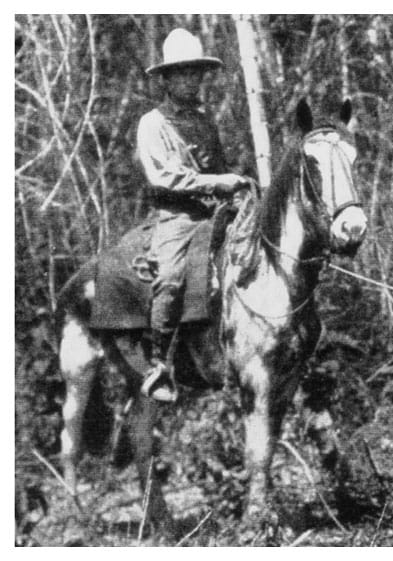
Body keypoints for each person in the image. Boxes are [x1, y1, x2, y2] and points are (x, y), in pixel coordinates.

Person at [137, 28, 250, 402]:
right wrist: (218, 181)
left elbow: (217, 167)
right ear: (166, 79)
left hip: (214, 211)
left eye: (196, 72)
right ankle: (159, 365)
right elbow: (164, 175)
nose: (191, 80)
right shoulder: (153, 123)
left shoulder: (204, 122)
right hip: (177, 215)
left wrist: (235, 185)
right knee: (170, 278)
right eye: (182, 73)